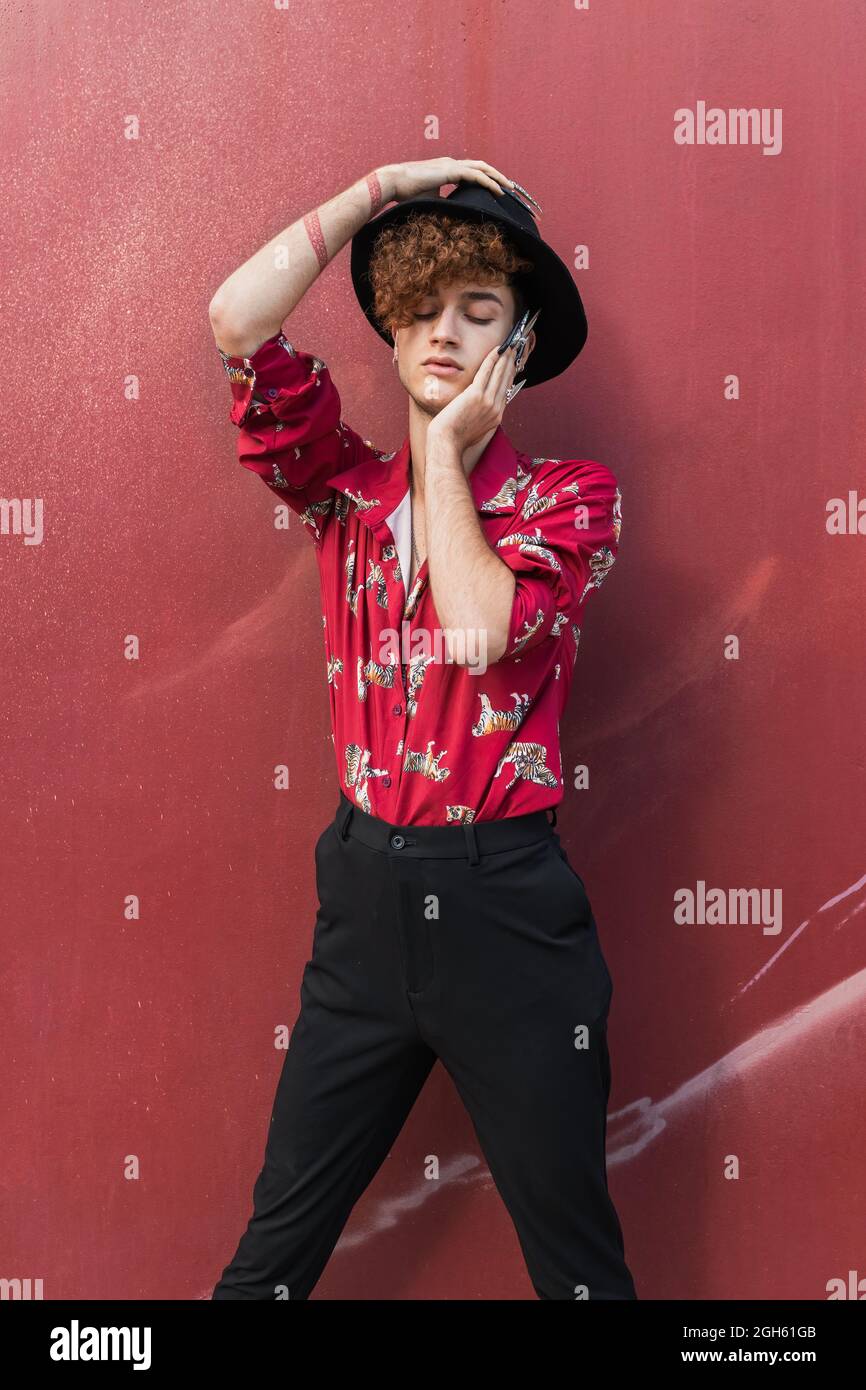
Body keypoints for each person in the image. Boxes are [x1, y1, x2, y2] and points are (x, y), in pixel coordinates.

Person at [208, 158, 636, 1300]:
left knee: (579, 1272)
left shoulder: (567, 498)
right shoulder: (342, 493)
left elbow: (483, 628)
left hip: (507, 914)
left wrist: (444, 455)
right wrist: (380, 190)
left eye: (478, 311)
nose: (444, 332)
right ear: (392, 327)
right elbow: (236, 319)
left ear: (519, 347)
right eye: (422, 306)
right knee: (270, 1255)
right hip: (363, 907)